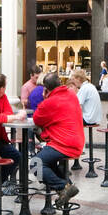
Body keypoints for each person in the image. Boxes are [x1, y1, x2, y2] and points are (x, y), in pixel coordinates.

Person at [31, 72, 83, 207]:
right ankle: (68, 186)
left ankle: (63, 187)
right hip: (77, 142)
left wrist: (45, 98)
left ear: (46, 89)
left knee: (35, 164)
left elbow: (37, 119)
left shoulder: (49, 102)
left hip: (63, 144)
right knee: (48, 163)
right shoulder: (72, 94)